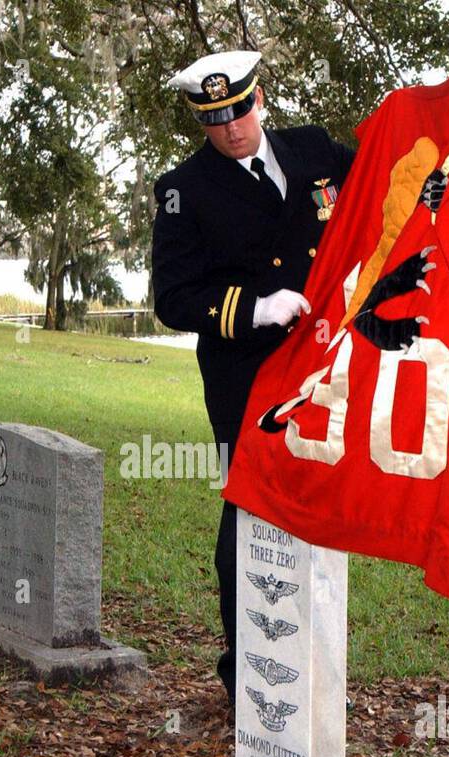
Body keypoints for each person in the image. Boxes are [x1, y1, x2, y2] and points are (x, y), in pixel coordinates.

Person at [151, 51, 355, 704]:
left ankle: (313, 661)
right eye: (215, 119)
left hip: (325, 371)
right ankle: (249, 672)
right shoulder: (184, 189)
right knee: (250, 510)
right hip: (247, 376)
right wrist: (252, 308)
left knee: (319, 510)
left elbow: (385, 179)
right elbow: (173, 298)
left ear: (258, 98)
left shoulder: (314, 149)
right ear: (199, 119)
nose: (233, 127)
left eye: (240, 110)